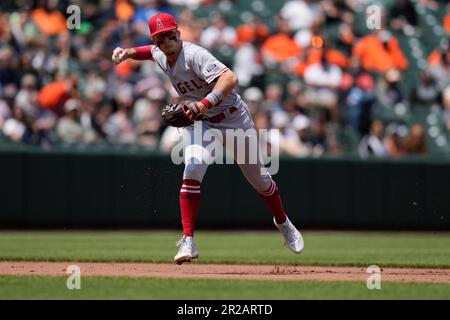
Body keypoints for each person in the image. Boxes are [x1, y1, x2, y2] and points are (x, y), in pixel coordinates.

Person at [112, 13, 304, 265]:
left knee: (258, 179)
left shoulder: (194, 55)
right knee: (191, 169)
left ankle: (282, 221)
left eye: (170, 34)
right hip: (202, 121)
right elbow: (147, 52)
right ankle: (188, 239)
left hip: (232, 117)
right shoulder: (160, 53)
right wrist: (127, 52)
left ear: (178, 34)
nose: (166, 41)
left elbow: (230, 78)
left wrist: (205, 102)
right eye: (161, 38)